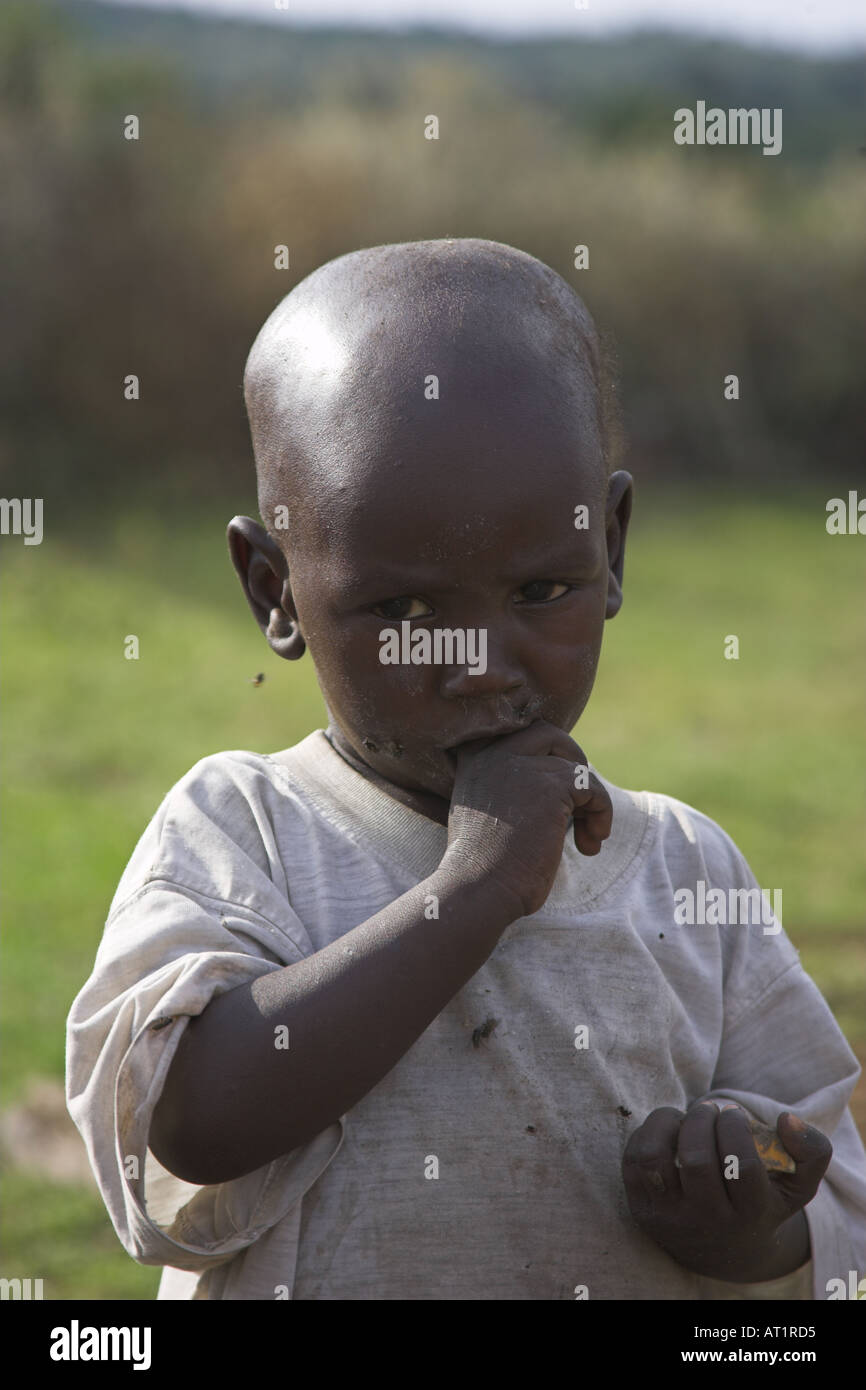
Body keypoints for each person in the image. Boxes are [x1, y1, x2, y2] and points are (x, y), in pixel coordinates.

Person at [66, 238, 866, 1300]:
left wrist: (741, 1218)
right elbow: (187, 1126)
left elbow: (820, 1188)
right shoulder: (241, 832)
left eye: (540, 591)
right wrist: (467, 892)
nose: (479, 666)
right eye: (402, 611)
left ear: (610, 551)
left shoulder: (684, 870)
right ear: (274, 589)